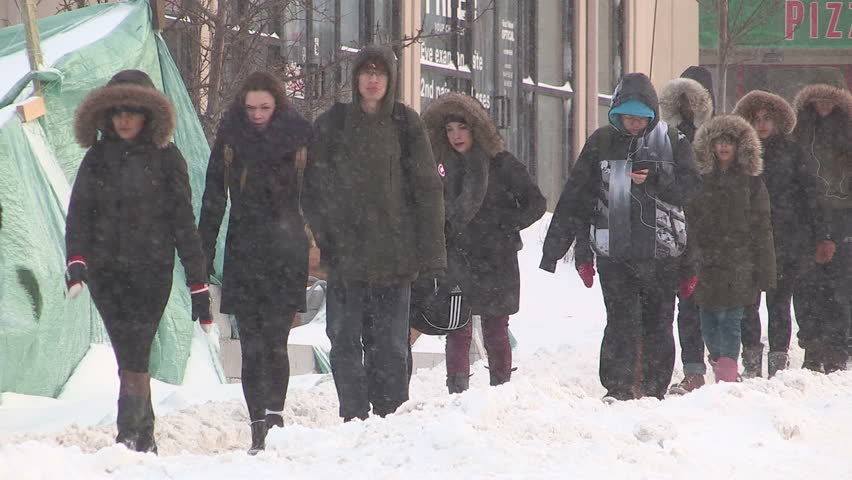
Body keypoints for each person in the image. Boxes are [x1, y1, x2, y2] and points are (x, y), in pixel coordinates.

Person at [65, 69, 211, 453]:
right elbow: (79, 214)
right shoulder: (96, 159)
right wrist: (76, 263)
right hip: (106, 275)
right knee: (128, 353)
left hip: (150, 272)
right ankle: (142, 436)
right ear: (106, 115)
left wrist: (198, 283)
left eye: (133, 110)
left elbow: (184, 223)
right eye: (117, 111)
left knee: (135, 348)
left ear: (149, 114)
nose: (125, 119)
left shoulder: (167, 158)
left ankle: (129, 435)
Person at [303, 45, 447, 421]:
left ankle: (389, 418)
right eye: (365, 72)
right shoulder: (333, 123)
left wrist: (432, 260)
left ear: (390, 80)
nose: (371, 79)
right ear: (354, 79)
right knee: (345, 342)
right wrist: (327, 234)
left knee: (391, 347)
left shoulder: (405, 123)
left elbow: (428, 192)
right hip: (346, 259)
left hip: (395, 260)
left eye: (379, 73)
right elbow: (313, 188)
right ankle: (353, 415)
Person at [540, 73, 700, 401]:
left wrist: (656, 179)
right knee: (620, 323)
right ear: (616, 114)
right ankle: (618, 387)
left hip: (663, 254)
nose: (633, 125)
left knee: (658, 324)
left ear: (652, 115)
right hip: (615, 253)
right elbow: (576, 198)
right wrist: (560, 250)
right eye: (627, 117)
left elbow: (693, 195)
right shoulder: (601, 142)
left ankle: (654, 390)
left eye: (640, 119)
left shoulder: (673, 141)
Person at [197, 71, 312, 454]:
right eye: (251, 108)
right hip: (245, 251)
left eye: (264, 107)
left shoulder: (299, 137)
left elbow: (319, 196)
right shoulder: (231, 138)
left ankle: (275, 419)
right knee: (253, 346)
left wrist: (329, 243)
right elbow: (213, 198)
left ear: (277, 104)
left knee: (276, 343)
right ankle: (257, 427)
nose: (258, 115)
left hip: (286, 251)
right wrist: (204, 252)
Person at [420, 93, 546, 393]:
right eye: (449, 130)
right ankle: (457, 392)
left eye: (462, 128)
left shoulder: (502, 164)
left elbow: (536, 203)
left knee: (495, 328)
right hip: (457, 257)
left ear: (476, 128)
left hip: (496, 258)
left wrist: (503, 225)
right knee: (457, 327)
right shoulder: (443, 167)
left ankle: (500, 390)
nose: (456, 136)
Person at [732, 90, 825, 378]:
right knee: (748, 303)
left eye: (767, 119)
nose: (762, 125)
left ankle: (778, 362)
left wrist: (820, 233)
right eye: (756, 119)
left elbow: (811, 194)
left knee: (779, 302)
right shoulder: (739, 154)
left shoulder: (793, 152)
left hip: (785, 238)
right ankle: (750, 360)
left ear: (779, 120)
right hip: (746, 238)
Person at [689, 115, 775, 382]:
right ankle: (718, 359)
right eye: (719, 142)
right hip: (706, 261)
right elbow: (689, 220)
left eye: (730, 142)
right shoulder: (699, 180)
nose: (724, 147)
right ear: (710, 146)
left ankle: (728, 370)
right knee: (708, 320)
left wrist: (765, 269)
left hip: (741, 262)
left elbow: (762, 226)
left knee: (731, 319)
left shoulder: (751, 182)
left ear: (741, 147)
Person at [790, 70, 852, 373]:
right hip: (805, 216)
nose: (824, 104)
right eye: (819, 98)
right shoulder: (799, 132)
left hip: (843, 216)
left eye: (830, 98)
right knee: (806, 286)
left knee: (841, 285)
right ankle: (812, 345)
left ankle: (838, 345)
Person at [657, 71, 715, 394]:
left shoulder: (721, 133)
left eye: (692, 98)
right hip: (679, 226)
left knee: (720, 303)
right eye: (681, 98)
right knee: (687, 302)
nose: (687, 105)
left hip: (714, 231)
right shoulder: (667, 137)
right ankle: (693, 368)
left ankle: (725, 363)